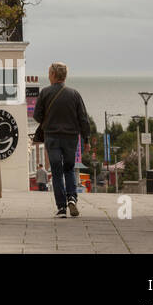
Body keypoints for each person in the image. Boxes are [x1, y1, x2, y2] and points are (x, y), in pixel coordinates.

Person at [31, 61, 91, 218]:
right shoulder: (74, 94)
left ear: (53, 75)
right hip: (71, 138)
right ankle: (72, 197)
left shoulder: (45, 93)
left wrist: (48, 119)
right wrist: (86, 139)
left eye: (49, 72)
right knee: (69, 169)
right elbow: (83, 119)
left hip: (52, 137)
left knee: (57, 171)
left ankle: (61, 208)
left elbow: (37, 116)